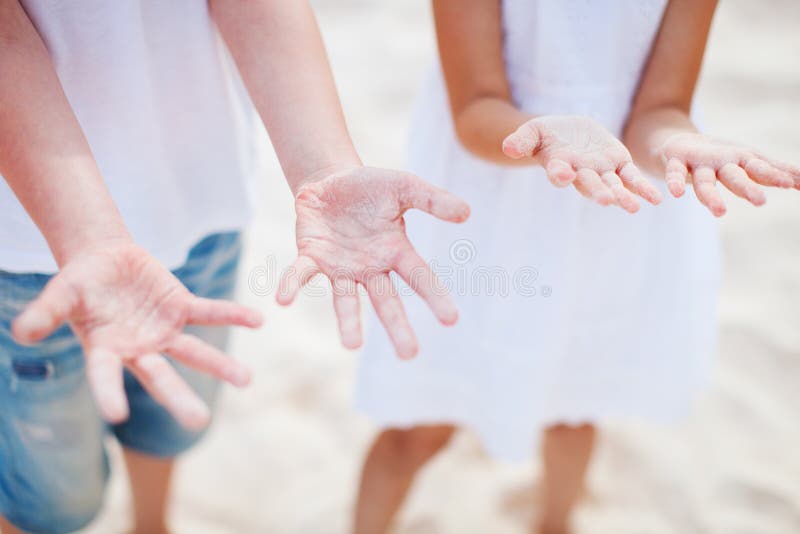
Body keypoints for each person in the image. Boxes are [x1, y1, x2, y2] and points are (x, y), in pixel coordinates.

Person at [0, 1, 469, 533]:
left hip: (200, 205)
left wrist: (325, 168)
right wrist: (89, 238)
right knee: (53, 497)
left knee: (169, 419)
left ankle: (151, 524)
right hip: (33, 244)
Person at [353, 1, 800, 533]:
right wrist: (542, 137)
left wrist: (675, 144)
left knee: (573, 406)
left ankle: (555, 522)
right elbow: (476, 108)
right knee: (422, 420)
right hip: (487, 202)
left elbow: (660, 110)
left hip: (609, 206)